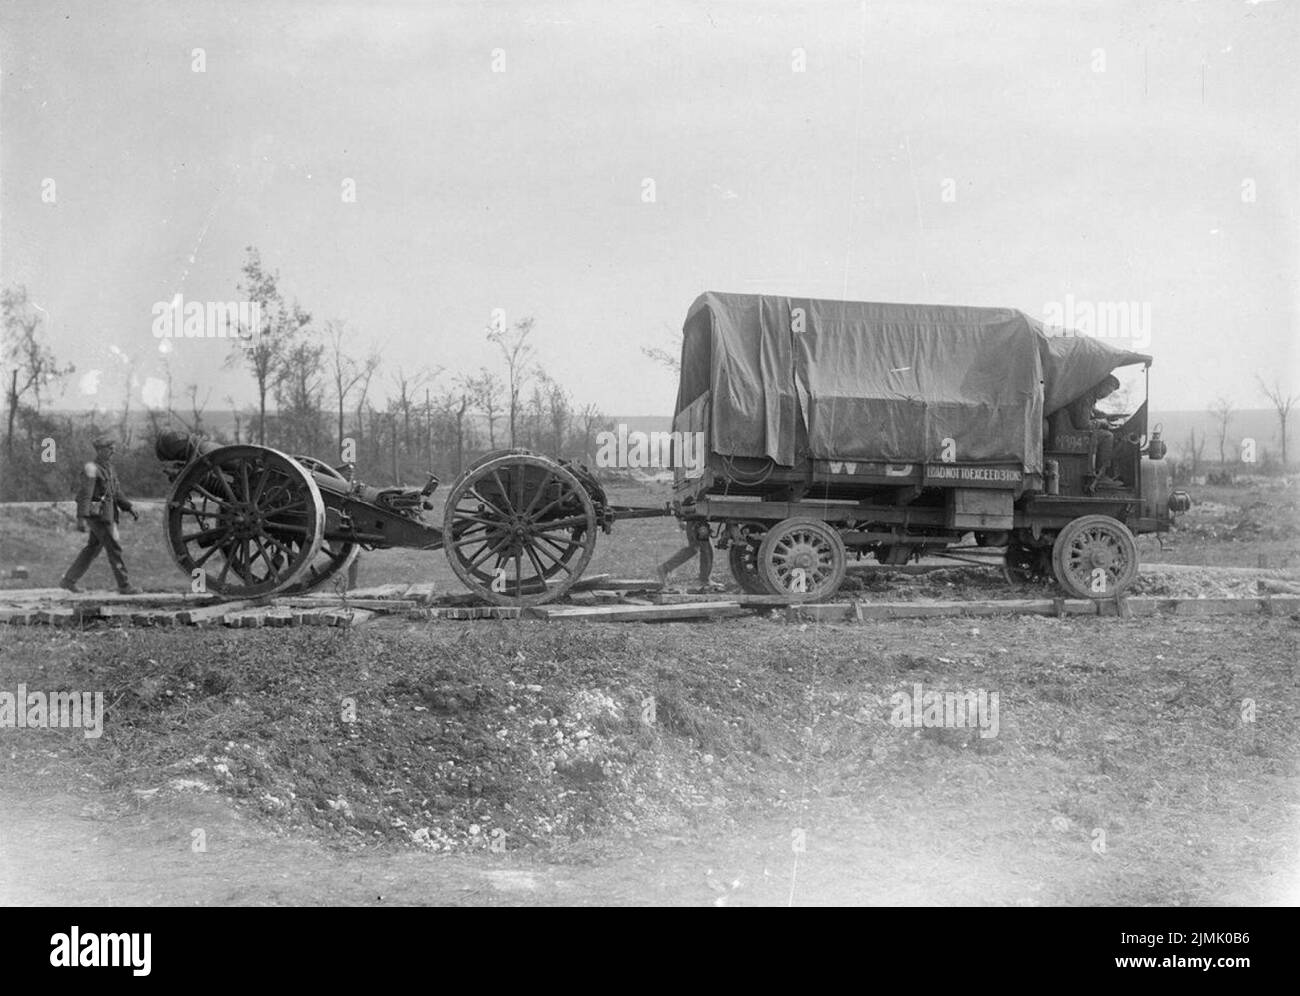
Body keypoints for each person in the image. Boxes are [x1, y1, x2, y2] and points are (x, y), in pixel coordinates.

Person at [60, 435, 141, 594]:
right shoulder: (91, 468)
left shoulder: (108, 468)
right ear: (100, 450)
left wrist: (129, 507)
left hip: (108, 515)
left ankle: (68, 581)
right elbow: (85, 495)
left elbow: (116, 492)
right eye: (110, 448)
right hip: (98, 517)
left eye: (113, 448)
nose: (113, 451)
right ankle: (124, 585)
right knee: (114, 548)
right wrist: (81, 518)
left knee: (93, 548)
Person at [1052, 374, 1126, 488]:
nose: (1107, 394)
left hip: (1069, 431)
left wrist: (1105, 416)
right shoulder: (1086, 397)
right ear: (1101, 385)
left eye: (1110, 392)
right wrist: (1102, 423)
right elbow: (1083, 424)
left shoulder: (1088, 396)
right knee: (1108, 436)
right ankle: (1101, 477)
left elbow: (1090, 411)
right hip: (1073, 435)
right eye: (1107, 389)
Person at [656, 519, 719, 591]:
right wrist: (681, 520)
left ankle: (665, 568)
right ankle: (704, 580)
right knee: (707, 549)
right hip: (697, 521)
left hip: (694, 520)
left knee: (694, 548)